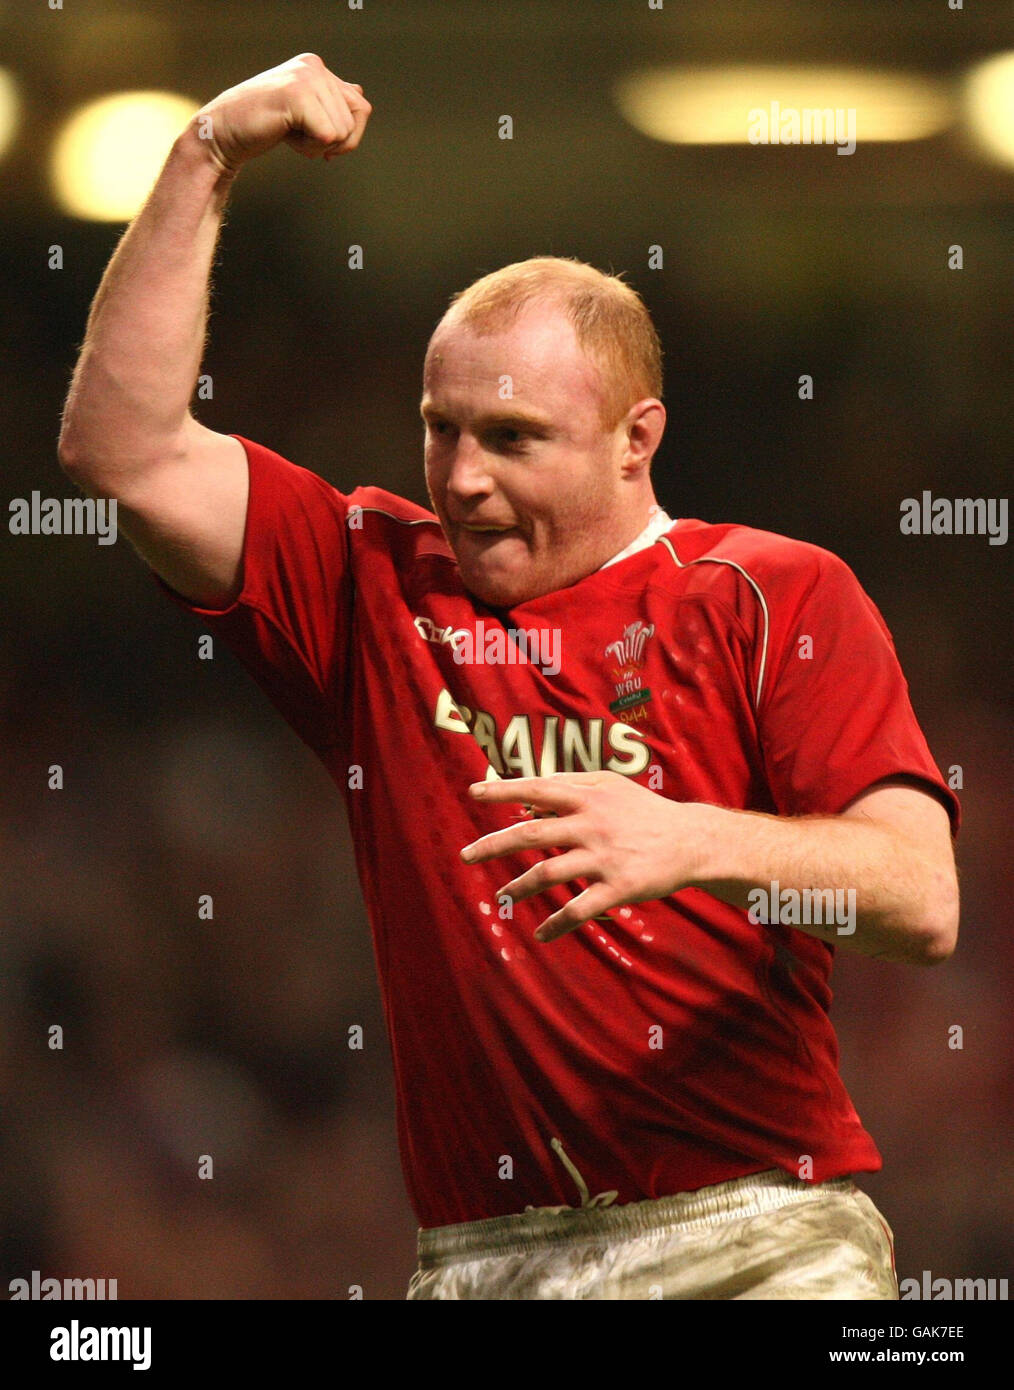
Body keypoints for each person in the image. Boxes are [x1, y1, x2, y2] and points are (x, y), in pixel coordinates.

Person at [59, 54, 961, 1301]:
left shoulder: (774, 593)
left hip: (761, 1242)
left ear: (635, 436)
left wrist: (692, 839)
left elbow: (920, 899)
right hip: (484, 1264)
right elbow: (122, 446)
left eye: (514, 438)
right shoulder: (368, 582)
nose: (464, 475)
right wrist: (207, 149)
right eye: (444, 429)